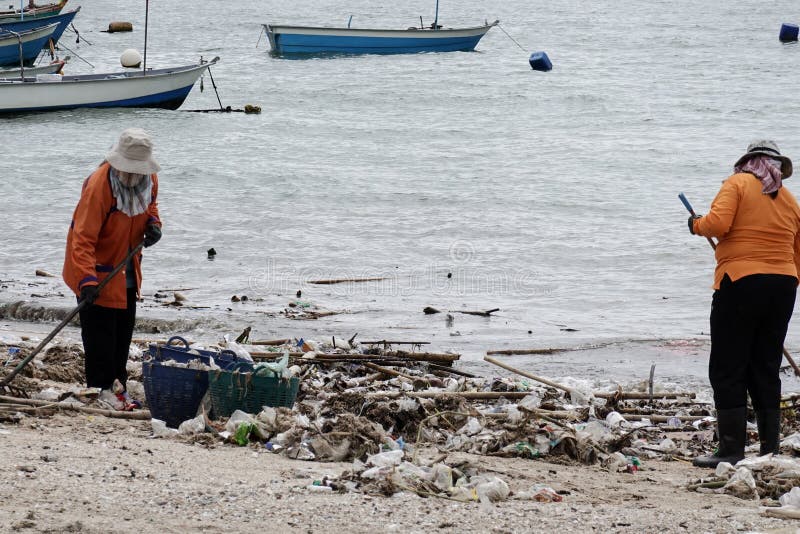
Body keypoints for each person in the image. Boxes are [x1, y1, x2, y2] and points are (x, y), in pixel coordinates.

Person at [688, 140, 800, 467]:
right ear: (775, 166)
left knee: (727, 365)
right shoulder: (790, 201)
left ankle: (731, 450)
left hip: (740, 281)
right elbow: (797, 250)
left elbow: (718, 225)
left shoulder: (737, 184)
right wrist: (785, 282)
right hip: (783, 285)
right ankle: (769, 451)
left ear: (749, 162)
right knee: (765, 366)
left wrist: (696, 225)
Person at [62, 128, 163, 410]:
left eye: (138, 170)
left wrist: (154, 225)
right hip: (95, 271)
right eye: (129, 169)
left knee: (121, 336)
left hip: (127, 269)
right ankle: (99, 391)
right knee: (99, 340)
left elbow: (151, 206)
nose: (133, 175)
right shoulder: (99, 186)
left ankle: (117, 391)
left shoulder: (150, 180)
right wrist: (87, 280)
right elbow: (82, 239)